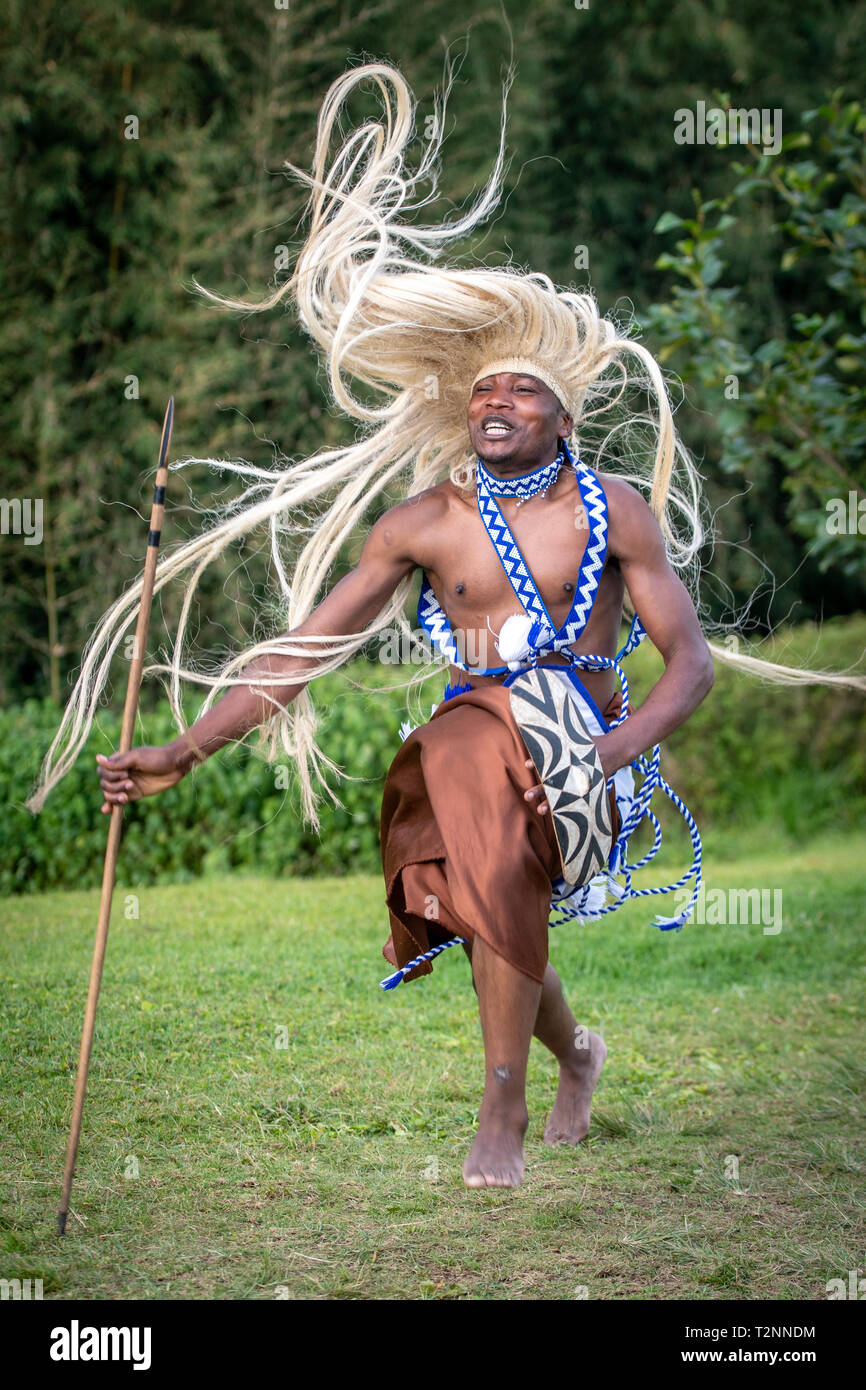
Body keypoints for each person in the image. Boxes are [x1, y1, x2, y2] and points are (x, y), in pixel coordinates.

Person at [27, 60, 864, 1188]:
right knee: (474, 837)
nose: (493, 404)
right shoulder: (424, 522)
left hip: (586, 730)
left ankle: (529, 1084)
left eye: (517, 391)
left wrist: (610, 750)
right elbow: (305, 647)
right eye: (478, 394)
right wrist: (185, 747)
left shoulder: (614, 510)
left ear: (561, 412)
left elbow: (692, 666)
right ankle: (544, 1073)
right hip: (473, 720)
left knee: (487, 852)